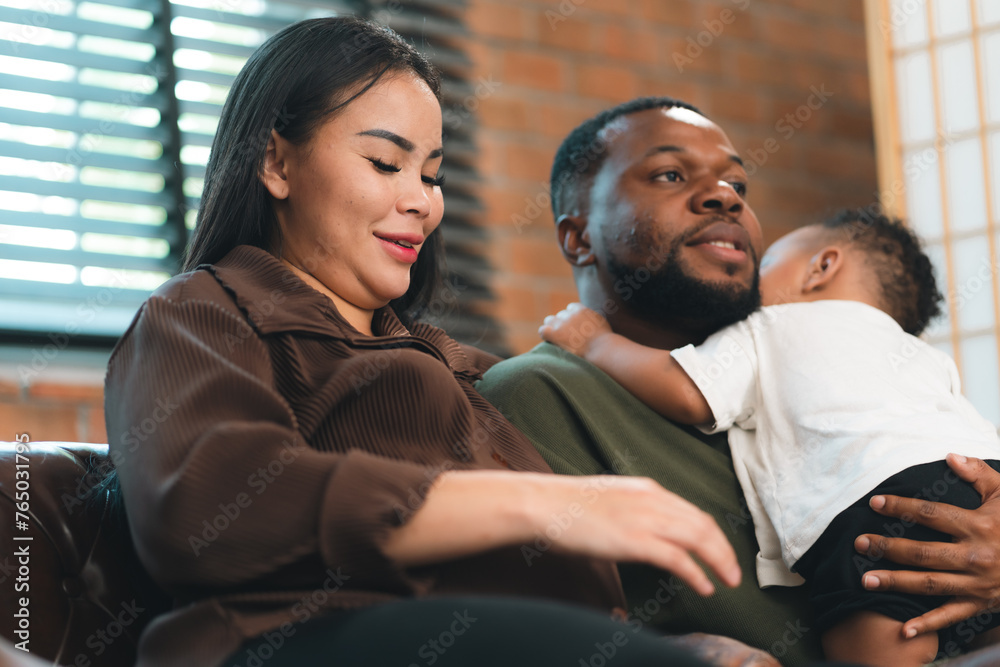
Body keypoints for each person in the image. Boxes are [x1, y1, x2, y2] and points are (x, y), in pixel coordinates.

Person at [102, 18, 770, 667]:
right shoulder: (201, 312)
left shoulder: (467, 370)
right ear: (277, 161)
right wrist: (546, 503)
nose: (422, 200)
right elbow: (206, 505)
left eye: (430, 173)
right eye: (385, 162)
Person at [475, 97, 1000, 666]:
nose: (724, 194)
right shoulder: (535, 395)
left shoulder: (831, 382)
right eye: (670, 174)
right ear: (578, 237)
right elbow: (527, 636)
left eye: (738, 186)